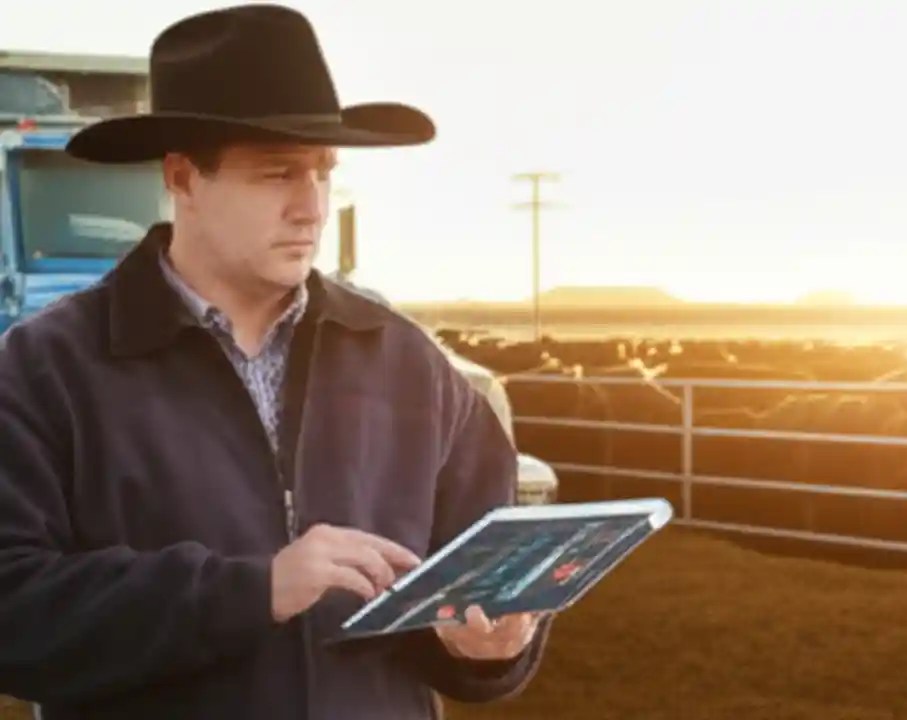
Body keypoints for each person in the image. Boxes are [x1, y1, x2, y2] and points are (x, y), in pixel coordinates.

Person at [0, 5, 551, 719]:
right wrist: (252, 591)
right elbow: (14, 612)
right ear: (183, 178)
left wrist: (494, 647)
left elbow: (483, 581)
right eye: (277, 174)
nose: (311, 207)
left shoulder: (411, 364)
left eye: (323, 172)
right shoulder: (49, 371)